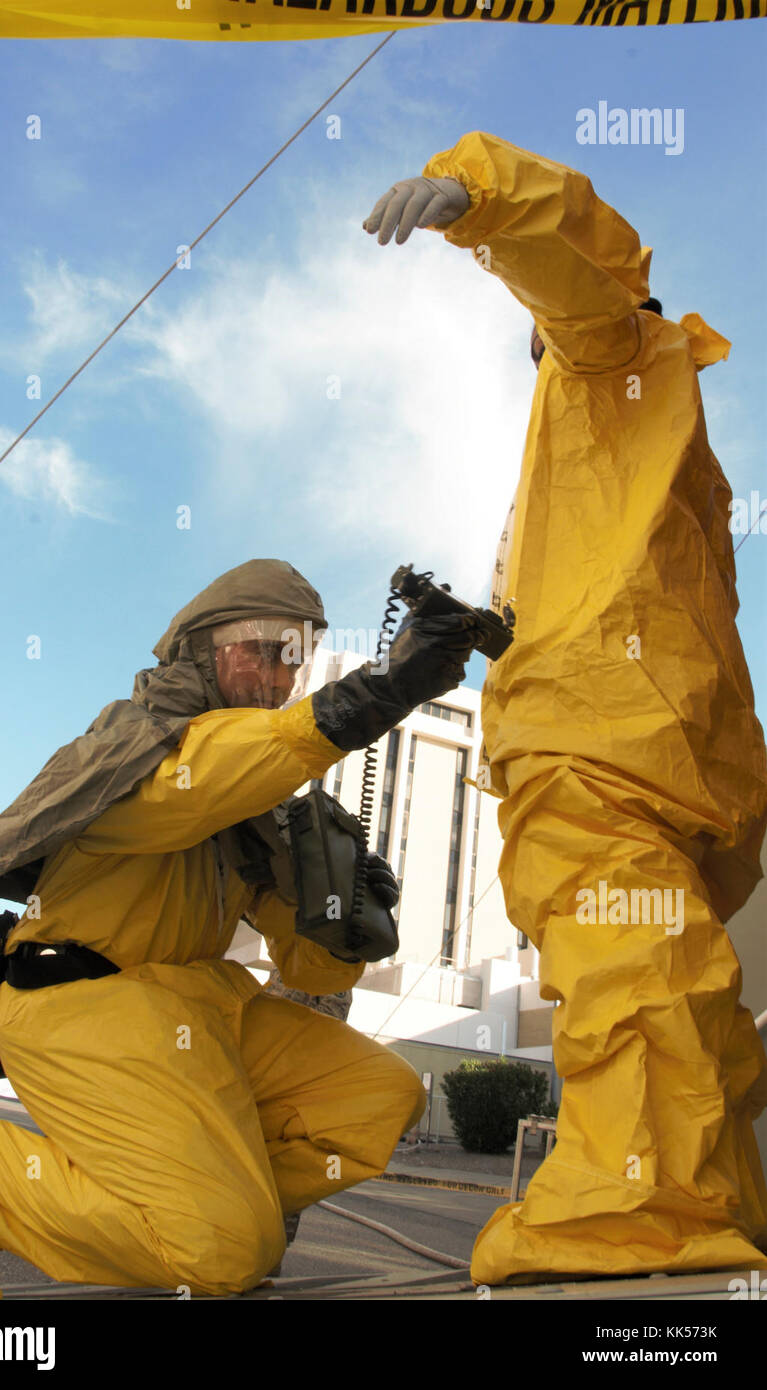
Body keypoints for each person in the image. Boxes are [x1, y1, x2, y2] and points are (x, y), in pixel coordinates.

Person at [364, 136, 767, 1285]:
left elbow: (593, 273)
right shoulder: (633, 439)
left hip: (600, 744)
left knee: (641, 982)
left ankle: (630, 1239)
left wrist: (483, 200)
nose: (535, 333)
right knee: (691, 1005)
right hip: (662, 752)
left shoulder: (609, 364)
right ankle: (710, 1209)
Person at [0, 558, 479, 1300]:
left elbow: (311, 973)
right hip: (82, 1008)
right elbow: (196, 781)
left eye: (296, 661)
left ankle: (208, 1212)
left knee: (371, 1099)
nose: (279, 678)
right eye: (263, 651)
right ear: (203, 650)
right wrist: (375, 694)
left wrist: (343, 918)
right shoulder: (130, 748)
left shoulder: (257, 805)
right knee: (221, 1251)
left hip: (198, 1007)